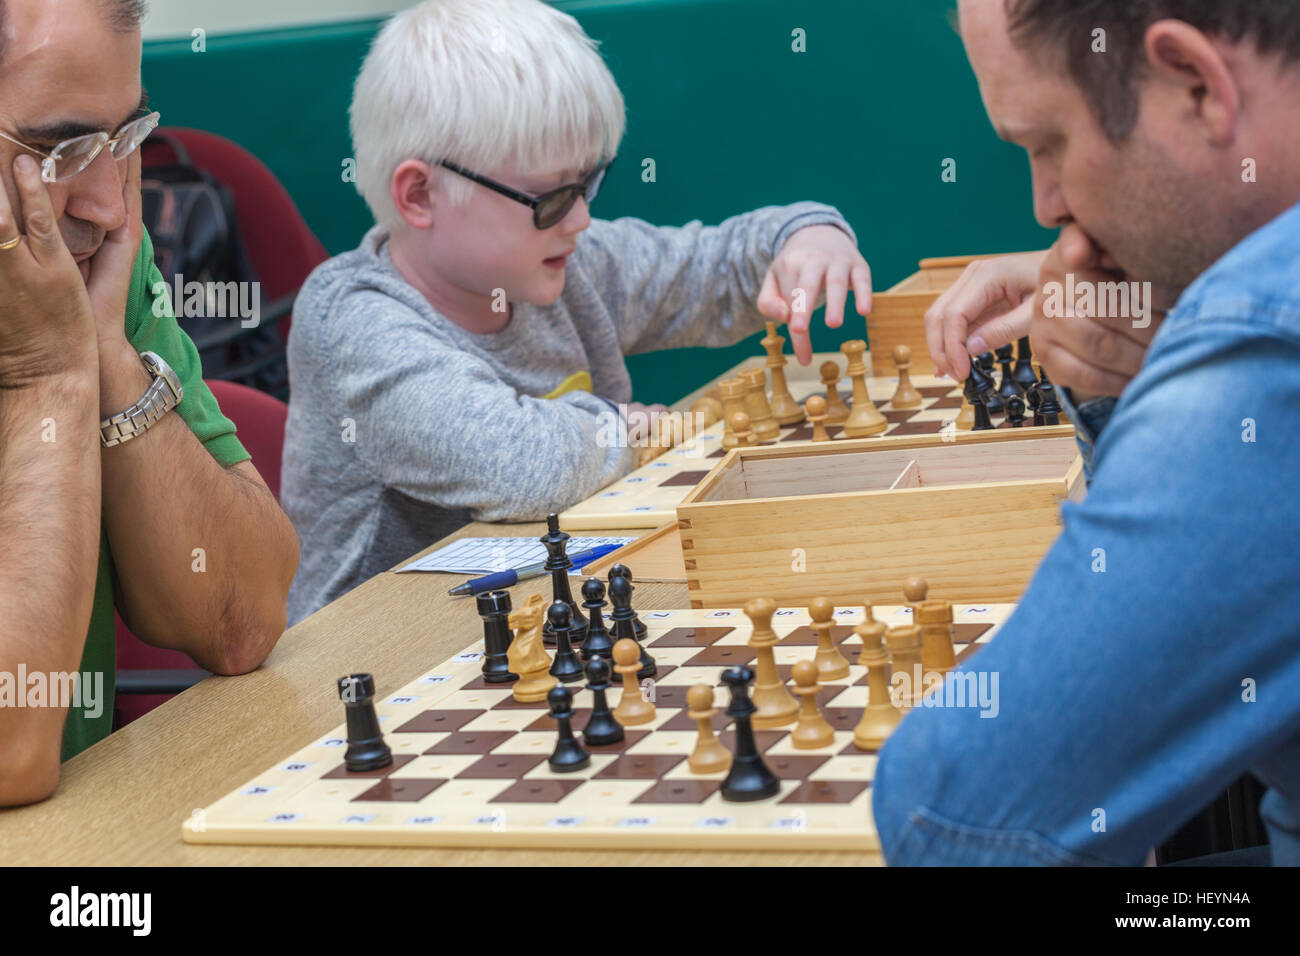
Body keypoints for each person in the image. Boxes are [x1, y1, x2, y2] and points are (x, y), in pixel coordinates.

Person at [282, 0, 873, 625]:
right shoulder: (354, 321)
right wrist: (624, 428)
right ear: (421, 194)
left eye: (589, 183)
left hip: (548, 621)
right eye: (551, 197)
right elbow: (518, 465)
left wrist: (802, 238)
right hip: (376, 665)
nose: (582, 218)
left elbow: (711, 269)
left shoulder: (565, 262)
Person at [874, 0, 1300, 865]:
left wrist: (1183, 367)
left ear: (1194, 83)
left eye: (1047, 145)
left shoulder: (1265, 346)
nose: (1044, 206)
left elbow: (956, 824)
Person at [0, 0, 300, 806]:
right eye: (58, 149)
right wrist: (48, 376)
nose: (110, 205)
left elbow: (242, 619)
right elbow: (9, 747)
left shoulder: (90, 264)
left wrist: (104, 354)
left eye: (120, 138)